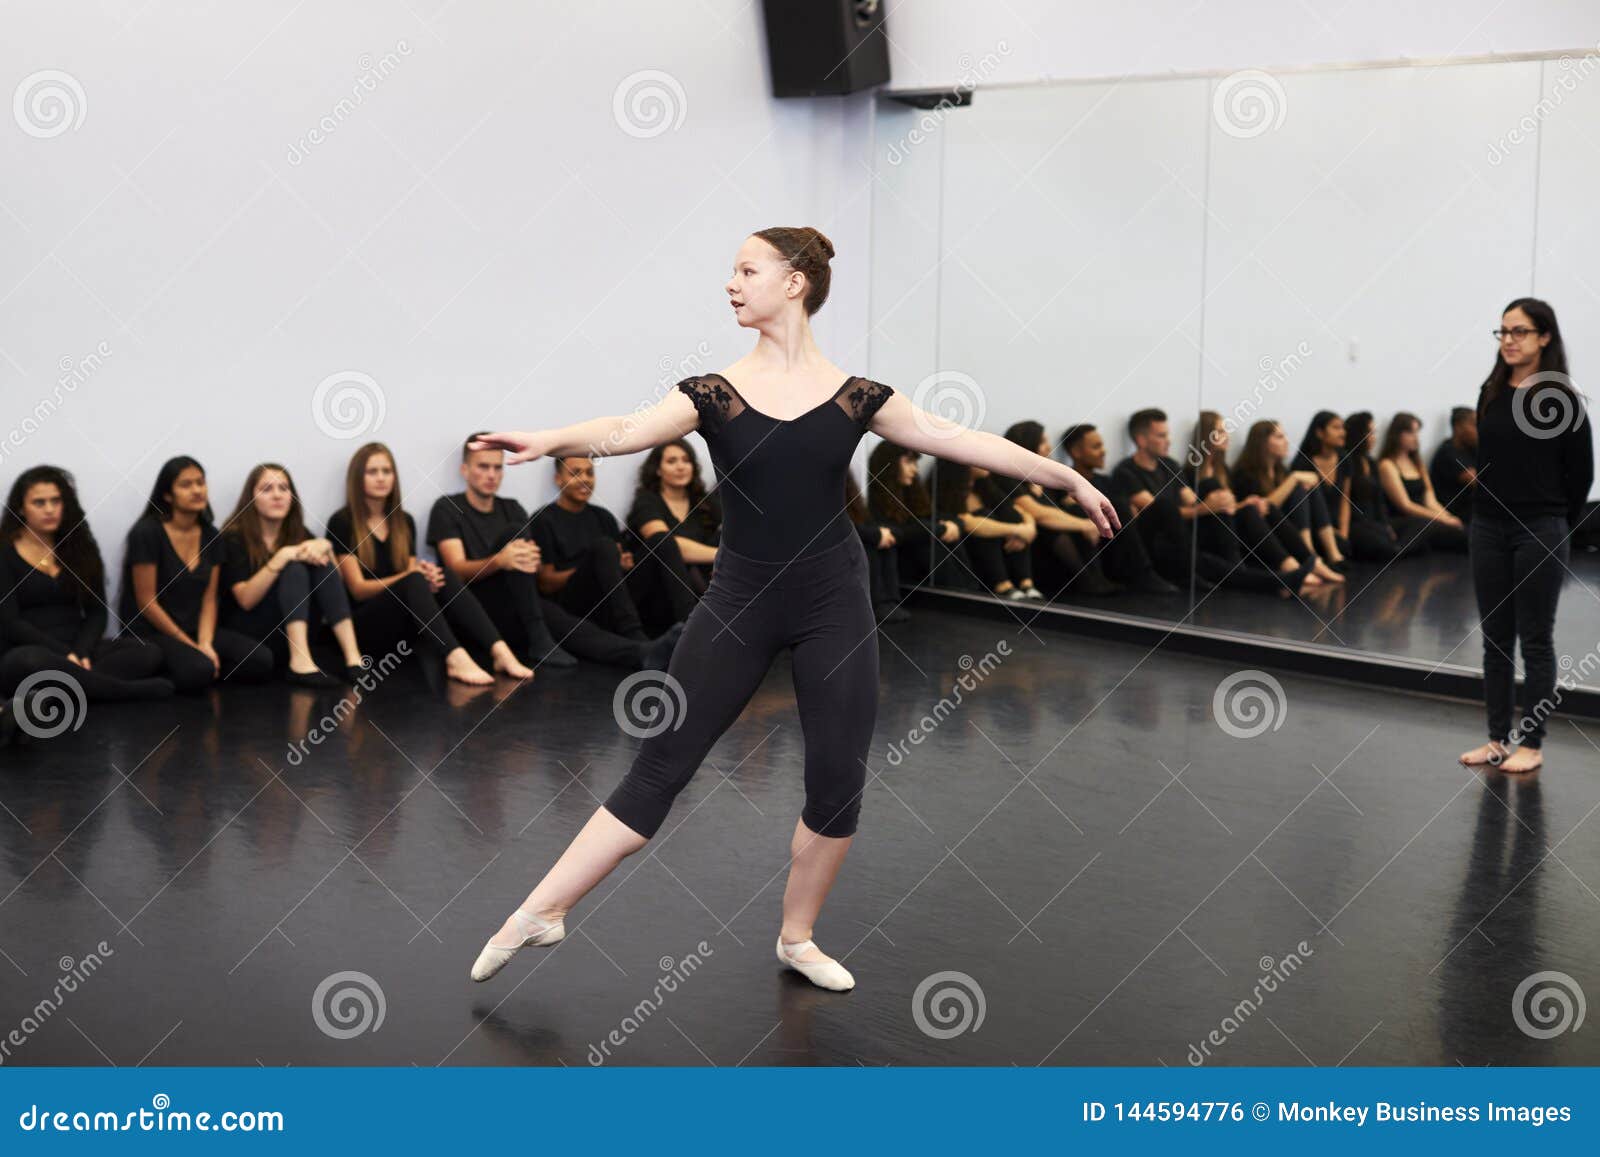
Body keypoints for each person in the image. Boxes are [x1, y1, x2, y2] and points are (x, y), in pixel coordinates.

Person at [464, 225, 1118, 993]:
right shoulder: (710, 393)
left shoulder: (857, 397)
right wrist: (547, 437)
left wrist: (1064, 478)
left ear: (796, 281)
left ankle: (797, 937)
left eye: (747, 270)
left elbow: (962, 440)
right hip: (738, 599)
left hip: (833, 600)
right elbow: (623, 432)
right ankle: (541, 910)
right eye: (731, 272)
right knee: (660, 766)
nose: (732, 284)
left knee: (838, 777)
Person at [1460, 298, 1593, 773]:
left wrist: (1557, 522)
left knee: (1535, 639)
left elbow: (1581, 474)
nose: (1509, 340)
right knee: (1495, 639)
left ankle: (1531, 744)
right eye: (1502, 332)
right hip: (1488, 527)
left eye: (1519, 331)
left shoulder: (1560, 397)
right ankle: (1497, 739)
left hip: (1539, 527)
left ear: (1544, 338)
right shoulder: (1491, 391)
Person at [428, 438, 680, 672]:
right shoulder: (447, 508)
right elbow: (455, 570)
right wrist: (500, 561)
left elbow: (533, 571)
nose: (492, 474)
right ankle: (540, 636)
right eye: (483, 467)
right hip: (476, 606)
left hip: (520, 603)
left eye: (497, 467)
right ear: (465, 470)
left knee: (570, 627)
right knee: (514, 535)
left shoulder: (512, 507)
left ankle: (642, 653)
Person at [325, 442, 530, 687]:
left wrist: (427, 576)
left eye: (387, 471)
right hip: (364, 628)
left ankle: (500, 652)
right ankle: (455, 657)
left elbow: (411, 575)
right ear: (358, 478)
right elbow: (357, 589)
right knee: (414, 579)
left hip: (403, 625)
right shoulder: (342, 522)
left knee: (444, 575)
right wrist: (413, 576)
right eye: (372, 472)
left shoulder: (404, 521)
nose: (381, 478)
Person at [0, 466, 172, 716]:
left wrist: (80, 651)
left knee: (148, 652)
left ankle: (62, 693)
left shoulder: (79, 547)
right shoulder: (4, 552)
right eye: (39, 502)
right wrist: (64, 655)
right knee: (26, 662)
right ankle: (128, 691)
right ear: (21, 508)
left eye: (55, 501)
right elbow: (10, 622)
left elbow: (96, 612)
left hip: (80, 647)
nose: (49, 509)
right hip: (30, 650)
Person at [119, 456, 273, 691]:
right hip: (151, 631)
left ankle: (202, 664)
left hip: (195, 627)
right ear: (167, 495)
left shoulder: (211, 535)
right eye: (186, 485)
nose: (197, 490)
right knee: (198, 670)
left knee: (260, 660)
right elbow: (146, 602)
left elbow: (209, 599)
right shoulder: (147, 533)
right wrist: (189, 645)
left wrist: (205, 643)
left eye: (200, 483)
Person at [219, 462, 362, 688]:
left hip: (289, 628)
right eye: (267, 489)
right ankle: (300, 664)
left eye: (284, 489)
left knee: (320, 563)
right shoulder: (233, 538)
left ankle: (353, 658)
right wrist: (282, 556)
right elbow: (245, 600)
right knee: (294, 567)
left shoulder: (299, 534)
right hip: (249, 629)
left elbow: (335, 588)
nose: (277, 495)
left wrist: (325, 546)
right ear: (251, 498)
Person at [528, 456, 674, 645]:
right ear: (559, 479)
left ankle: (688, 626)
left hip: (611, 599)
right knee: (604, 547)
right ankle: (634, 633)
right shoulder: (543, 519)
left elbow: (620, 566)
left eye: (590, 473)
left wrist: (622, 563)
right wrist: (597, 563)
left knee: (662, 541)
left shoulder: (603, 517)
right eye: (575, 473)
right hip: (574, 604)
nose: (585, 479)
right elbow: (546, 583)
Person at [1186, 413, 1323, 593]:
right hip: (1210, 534)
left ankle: (1306, 562)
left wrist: (1244, 504)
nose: (1226, 436)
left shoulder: (1223, 469)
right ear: (1206, 436)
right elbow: (1199, 511)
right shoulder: (1192, 473)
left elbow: (1228, 509)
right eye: (1220, 431)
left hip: (1230, 528)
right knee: (1251, 507)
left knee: (1262, 507)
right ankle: (1291, 566)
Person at [1001, 420, 1119, 596]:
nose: (1048, 448)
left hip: (1059, 553)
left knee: (1079, 512)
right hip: (1033, 549)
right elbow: (1039, 514)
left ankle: (1097, 578)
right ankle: (1085, 580)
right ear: (1027, 446)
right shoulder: (1009, 478)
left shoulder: (1046, 479)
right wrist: (1084, 524)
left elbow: (1064, 506)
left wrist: (1083, 517)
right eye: (1042, 442)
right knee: (1053, 528)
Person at [1057, 424, 1176, 595]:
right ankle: (1140, 572)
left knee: (1159, 506)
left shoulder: (1107, 482)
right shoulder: (1067, 484)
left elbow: (1131, 515)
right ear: (1076, 452)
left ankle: (1156, 570)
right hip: (1097, 546)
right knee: (1118, 505)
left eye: (1102, 445)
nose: (1104, 451)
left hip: (1119, 546)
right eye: (1096, 447)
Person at [1229, 419, 1346, 582]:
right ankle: (1310, 557)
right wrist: (1293, 478)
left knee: (1305, 487)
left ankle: (1330, 555)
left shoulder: (1279, 470)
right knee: (1297, 486)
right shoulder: (1244, 474)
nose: (1286, 442)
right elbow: (1264, 508)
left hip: (1288, 529)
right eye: (1279, 437)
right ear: (1262, 442)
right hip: (1262, 538)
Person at [626, 440, 721, 631]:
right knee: (664, 542)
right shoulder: (646, 501)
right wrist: (719, 555)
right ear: (658, 470)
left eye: (686, 460)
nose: (680, 466)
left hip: (700, 585)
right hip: (656, 591)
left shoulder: (705, 502)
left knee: (729, 536)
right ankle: (691, 629)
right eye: (671, 461)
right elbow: (665, 545)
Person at [932, 457, 1043, 600]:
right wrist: (1017, 530)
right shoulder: (946, 491)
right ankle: (1002, 585)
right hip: (971, 554)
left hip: (1001, 548)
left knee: (1012, 517)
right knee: (986, 516)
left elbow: (1019, 511)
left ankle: (1026, 583)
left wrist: (1027, 527)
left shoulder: (984, 486)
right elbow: (970, 523)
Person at [863, 440, 961, 592]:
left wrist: (953, 525)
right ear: (889, 464)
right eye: (909, 462)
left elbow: (936, 517)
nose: (915, 470)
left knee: (943, 538)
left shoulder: (911, 492)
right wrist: (940, 529)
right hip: (899, 566)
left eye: (915, 463)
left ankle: (965, 590)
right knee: (927, 544)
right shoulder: (872, 497)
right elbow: (899, 532)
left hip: (915, 567)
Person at [1377, 413, 1468, 553]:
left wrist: (1447, 516)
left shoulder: (1417, 463)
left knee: (1460, 528)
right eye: (1410, 432)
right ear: (1397, 435)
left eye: (1417, 432)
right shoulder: (1387, 465)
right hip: (1407, 520)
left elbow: (1430, 498)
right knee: (1430, 526)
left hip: (1427, 518)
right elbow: (1405, 505)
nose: (1415, 438)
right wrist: (1440, 519)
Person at [1430, 405, 1479, 524]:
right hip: (1457, 515)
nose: (1479, 429)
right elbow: (1478, 482)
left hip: (1474, 512)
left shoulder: (1472, 449)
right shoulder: (1448, 452)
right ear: (1458, 427)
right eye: (1474, 425)